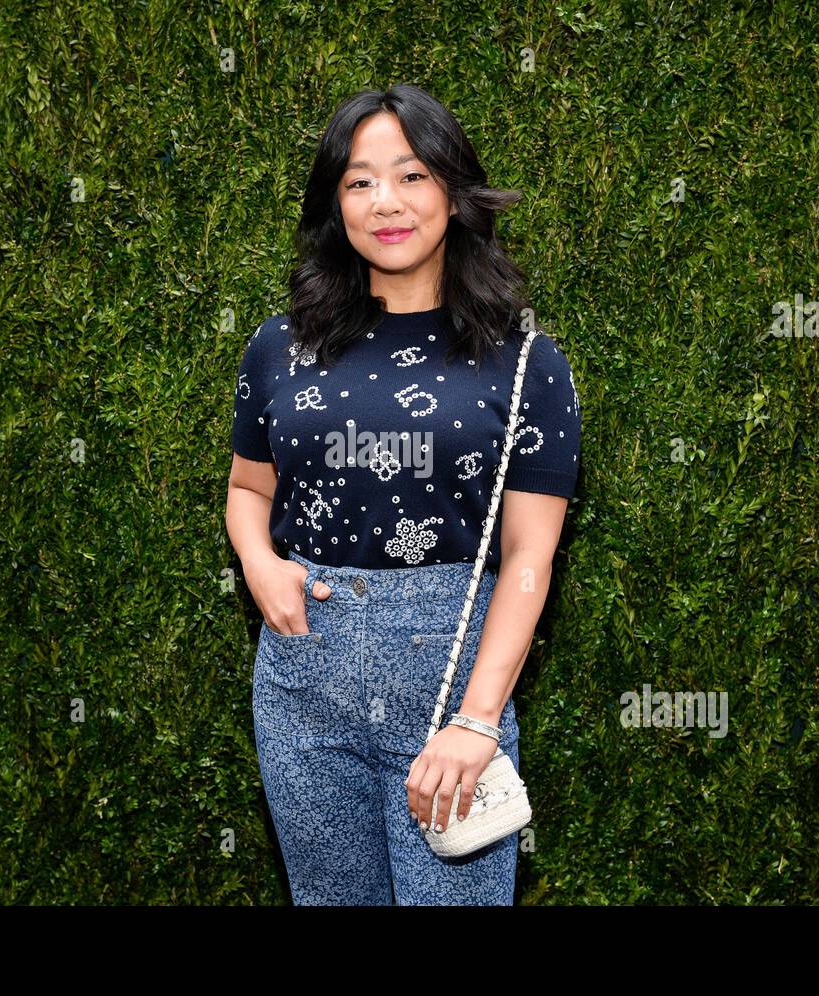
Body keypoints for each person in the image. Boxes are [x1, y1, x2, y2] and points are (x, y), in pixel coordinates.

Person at [225, 84, 581, 905]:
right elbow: (247, 489)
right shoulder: (279, 348)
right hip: (302, 688)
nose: (385, 201)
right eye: (358, 181)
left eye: (411, 175)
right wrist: (260, 565)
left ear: (453, 194)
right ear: (335, 205)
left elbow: (531, 556)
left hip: (452, 682)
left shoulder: (526, 362)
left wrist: (478, 719)